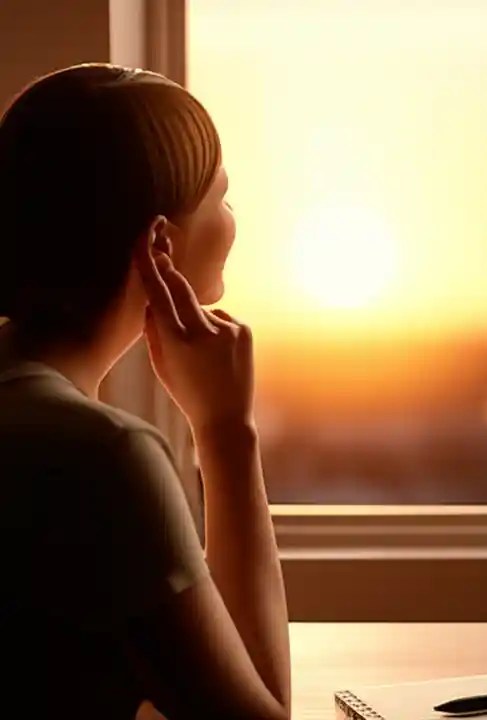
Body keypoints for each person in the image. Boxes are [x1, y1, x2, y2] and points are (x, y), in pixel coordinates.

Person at [0, 64, 290, 719]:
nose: (233, 218)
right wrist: (226, 431)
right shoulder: (102, 456)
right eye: (222, 196)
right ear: (160, 244)